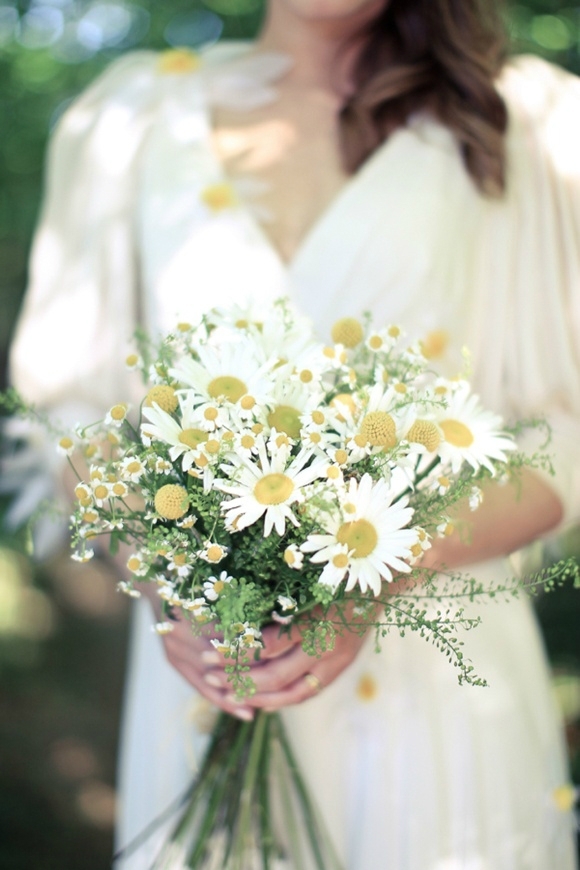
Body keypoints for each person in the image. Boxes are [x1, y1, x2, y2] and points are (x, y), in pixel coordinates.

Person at [9, 0, 580, 866]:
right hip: (211, 678)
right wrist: (180, 588)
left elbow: (564, 429)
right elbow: (72, 413)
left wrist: (369, 565)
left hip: (441, 679)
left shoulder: (526, 120)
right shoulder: (125, 118)